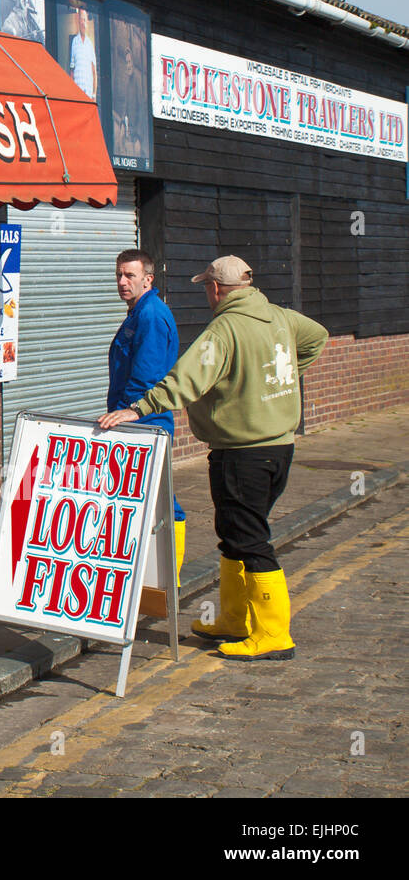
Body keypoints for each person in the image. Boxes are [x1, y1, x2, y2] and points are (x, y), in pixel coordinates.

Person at [99, 256, 328, 662]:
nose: (206, 292)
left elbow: (184, 378)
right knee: (236, 533)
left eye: (207, 285)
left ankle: (273, 634)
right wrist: (281, 379)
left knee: (250, 537)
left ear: (217, 289)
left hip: (243, 452)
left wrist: (140, 407)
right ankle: (235, 620)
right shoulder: (280, 317)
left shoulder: (224, 328)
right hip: (279, 447)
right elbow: (318, 337)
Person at [106, 249, 186, 585]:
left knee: (163, 500)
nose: (123, 282)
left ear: (148, 279)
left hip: (144, 423)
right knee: (151, 498)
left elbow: (146, 379)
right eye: (119, 275)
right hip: (135, 421)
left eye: (130, 276)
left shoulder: (151, 315)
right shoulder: (140, 312)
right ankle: (149, 579)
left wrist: (129, 415)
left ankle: (167, 581)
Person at [67, 5, 97, 99]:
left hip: (88, 94)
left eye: (84, 19)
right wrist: (71, 91)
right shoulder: (74, 42)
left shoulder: (90, 45)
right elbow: (71, 70)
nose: (83, 23)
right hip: (77, 94)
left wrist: (94, 94)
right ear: (78, 21)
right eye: (81, 19)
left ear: (87, 21)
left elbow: (94, 72)